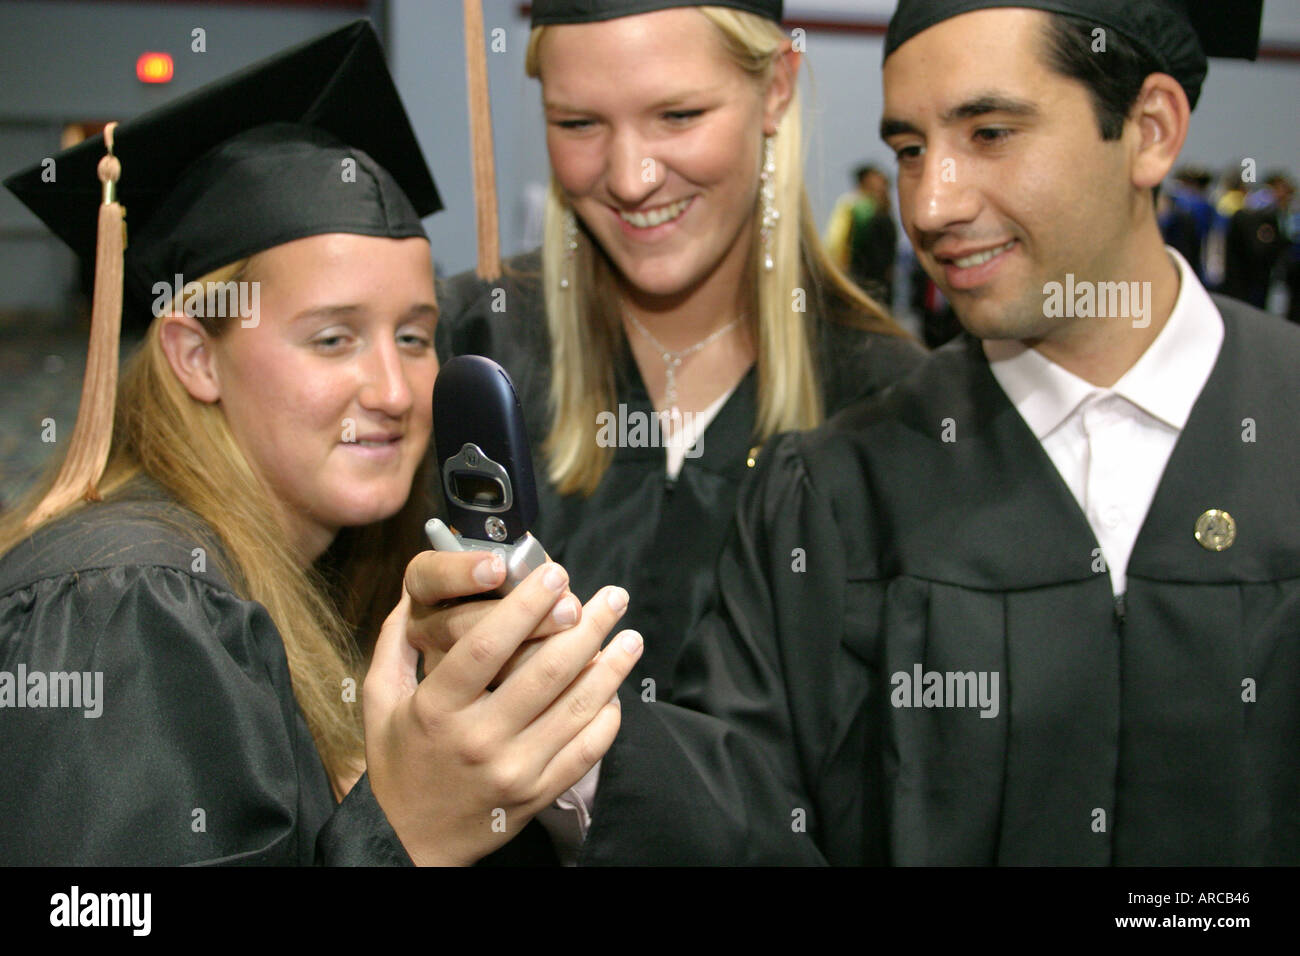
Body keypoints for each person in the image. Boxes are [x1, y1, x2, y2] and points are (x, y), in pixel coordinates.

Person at [415, 0, 1299, 865]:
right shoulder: (846, 477)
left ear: (1150, 130)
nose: (932, 206)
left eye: (989, 132)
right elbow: (748, 803)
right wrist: (560, 722)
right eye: (909, 150)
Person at [0, 21, 640, 866]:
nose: (392, 391)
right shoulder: (125, 605)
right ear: (197, 356)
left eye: (414, 337)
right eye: (332, 339)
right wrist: (407, 829)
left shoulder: (329, 577)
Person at [435, 0, 924, 709]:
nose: (632, 178)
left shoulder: (888, 404)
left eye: (679, 116)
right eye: (578, 123)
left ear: (777, 87)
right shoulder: (473, 357)